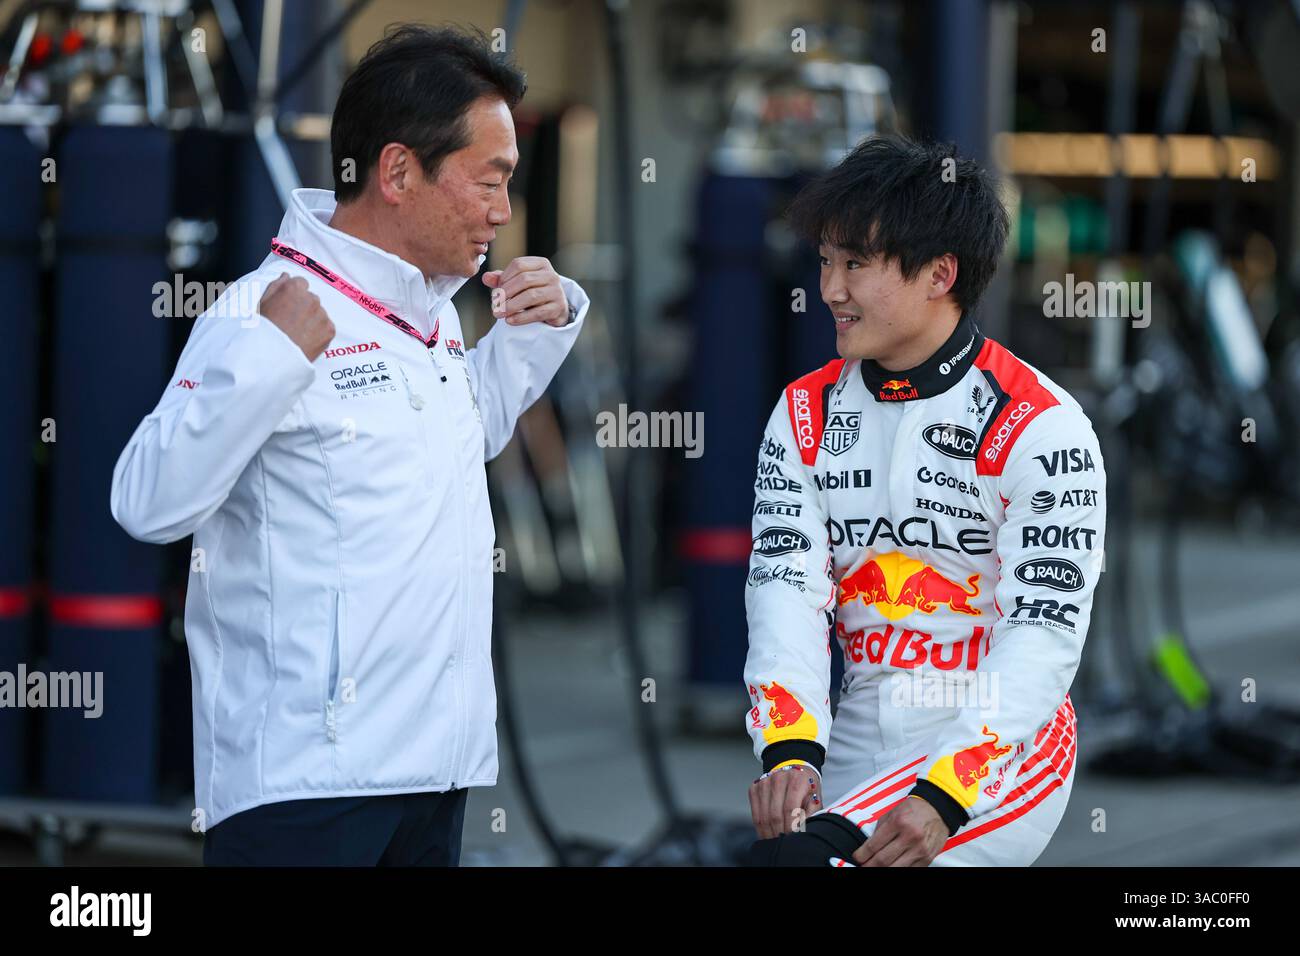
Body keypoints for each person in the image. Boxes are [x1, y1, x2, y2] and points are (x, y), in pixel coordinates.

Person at [110, 25, 586, 865]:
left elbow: (451, 449)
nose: (502, 212)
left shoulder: (429, 314)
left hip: (436, 771)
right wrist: (266, 357)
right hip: (304, 788)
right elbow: (145, 502)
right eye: (490, 180)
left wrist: (531, 335)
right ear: (398, 172)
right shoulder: (262, 312)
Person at [744, 135, 1105, 866]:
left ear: (941, 273)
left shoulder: (1040, 424)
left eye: (856, 265)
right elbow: (785, 587)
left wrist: (948, 790)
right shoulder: (803, 412)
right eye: (825, 261)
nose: (831, 290)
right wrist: (787, 745)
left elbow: (1044, 631)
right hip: (860, 734)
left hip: (1003, 751)